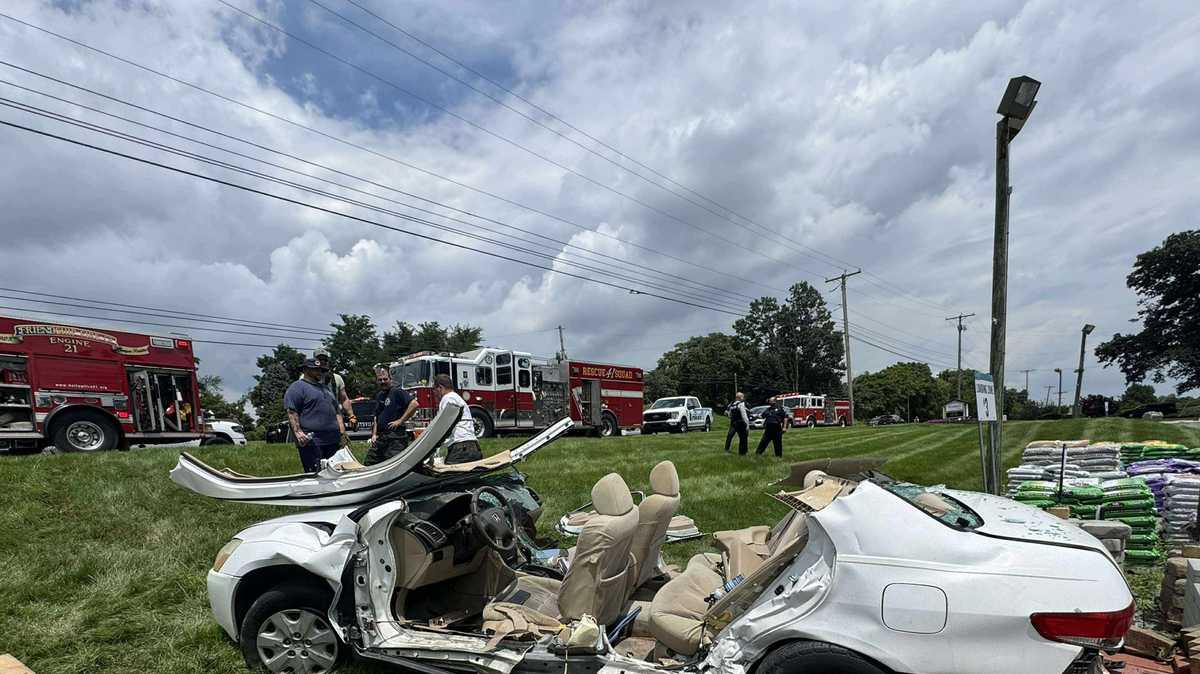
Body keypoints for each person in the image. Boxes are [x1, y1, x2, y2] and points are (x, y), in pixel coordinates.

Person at [284, 357, 345, 472]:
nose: (320, 373)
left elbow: (337, 410)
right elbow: (291, 411)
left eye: (321, 370)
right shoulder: (297, 387)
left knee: (335, 473)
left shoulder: (325, 389)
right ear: (306, 370)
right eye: (316, 370)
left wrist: (342, 432)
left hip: (333, 440)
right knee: (316, 473)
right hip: (312, 442)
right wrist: (298, 432)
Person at [365, 366, 419, 466]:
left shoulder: (397, 392)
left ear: (391, 379)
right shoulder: (380, 395)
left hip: (395, 438)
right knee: (369, 463)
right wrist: (374, 434)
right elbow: (377, 416)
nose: (383, 382)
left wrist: (400, 420)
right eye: (380, 380)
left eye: (385, 379)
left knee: (393, 465)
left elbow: (414, 404)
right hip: (381, 437)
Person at [300, 349, 356, 437]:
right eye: (320, 359)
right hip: (313, 421)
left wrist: (351, 415)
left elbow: (344, 399)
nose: (323, 362)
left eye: (325, 360)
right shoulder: (304, 379)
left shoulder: (337, 378)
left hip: (335, 420)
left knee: (340, 446)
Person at [432, 373, 483, 465]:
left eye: (434, 390)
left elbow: (444, 425)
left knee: (448, 478)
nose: (434, 393)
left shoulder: (447, 399)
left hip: (461, 448)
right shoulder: (457, 398)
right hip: (473, 447)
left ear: (440, 387)